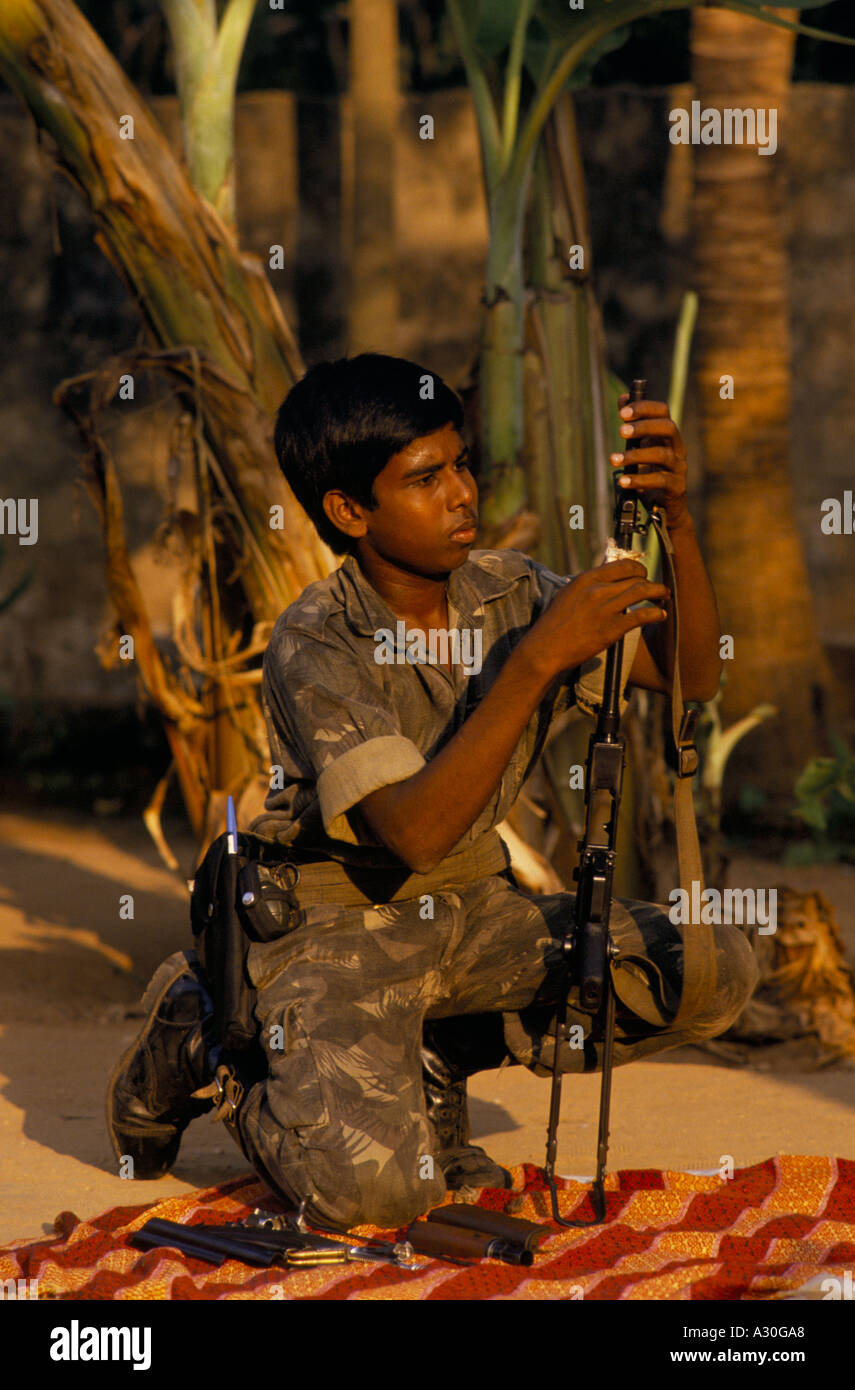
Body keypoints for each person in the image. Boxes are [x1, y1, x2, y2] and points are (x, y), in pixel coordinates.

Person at [107, 354, 758, 1232]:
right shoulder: (318, 641)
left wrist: (674, 520)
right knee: (375, 1202)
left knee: (708, 968)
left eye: (460, 464)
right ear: (349, 512)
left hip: (471, 911)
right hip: (337, 928)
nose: (461, 494)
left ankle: (434, 1056)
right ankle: (211, 1032)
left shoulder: (512, 591)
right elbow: (412, 832)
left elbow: (689, 675)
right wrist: (535, 663)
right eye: (425, 478)